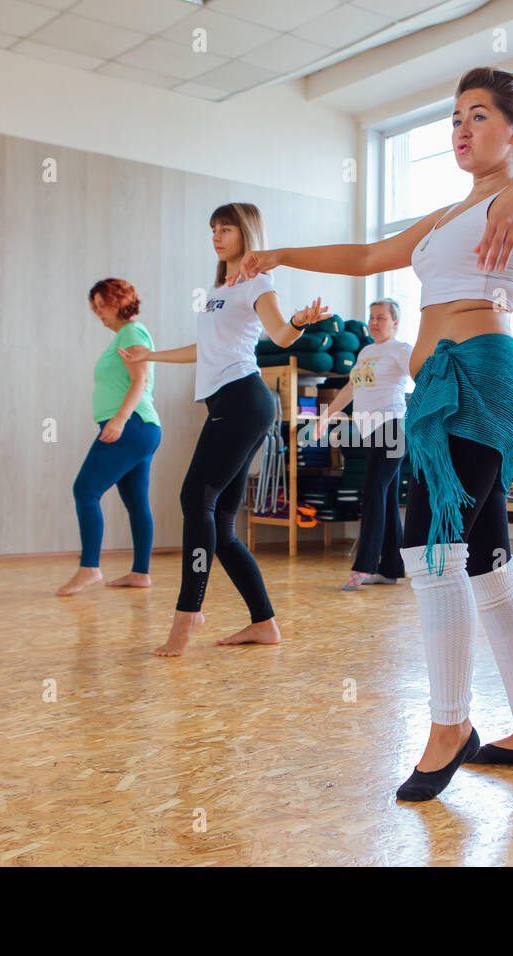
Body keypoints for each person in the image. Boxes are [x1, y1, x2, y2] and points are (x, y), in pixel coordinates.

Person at [231, 68, 513, 801]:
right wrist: (282, 254)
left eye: (479, 116)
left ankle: (450, 726)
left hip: (478, 381)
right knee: (485, 564)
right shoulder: (446, 217)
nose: (462, 130)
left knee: (430, 549)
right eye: (455, 118)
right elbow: (364, 257)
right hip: (436, 391)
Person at [118, 203, 329, 656]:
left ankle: (188, 614)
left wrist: (299, 321)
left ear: (246, 232)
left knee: (195, 499)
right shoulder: (219, 290)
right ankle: (264, 623)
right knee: (223, 525)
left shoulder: (258, 282)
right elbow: (205, 347)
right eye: (213, 229)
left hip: (243, 399)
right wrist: (150, 356)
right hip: (228, 402)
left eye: (226, 228)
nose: (216, 236)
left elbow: (280, 335)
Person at [57, 279, 161, 597]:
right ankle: (140, 573)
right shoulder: (125, 335)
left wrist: (119, 419)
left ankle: (89, 567)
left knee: (85, 490)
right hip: (141, 428)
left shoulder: (132, 332)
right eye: (95, 307)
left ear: (120, 300)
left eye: (102, 305)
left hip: (132, 425)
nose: (98, 312)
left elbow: (140, 379)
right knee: (136, 502)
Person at [315, 299, 413, 590]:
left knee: (373, 492)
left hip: (393, 428)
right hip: (371, 432)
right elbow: (351, 388)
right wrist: (325, 416)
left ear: (395, 322)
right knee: (386, 497)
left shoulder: (401, 350)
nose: (374, 322)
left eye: (381, 317)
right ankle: (390, 569)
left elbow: (423, 377)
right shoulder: (366, 352)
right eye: (371, 317)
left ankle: (364, 566)